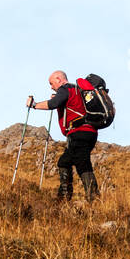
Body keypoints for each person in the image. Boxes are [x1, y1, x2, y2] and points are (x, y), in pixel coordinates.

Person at [27, 71, 99, 202]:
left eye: (51, 83)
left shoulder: (65, 88)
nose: (51, 86)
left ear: (59, 79)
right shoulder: (77, 90)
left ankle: (88, 198)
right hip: (89, 132)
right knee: (69, 162)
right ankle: (68, 197)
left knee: (78, 163)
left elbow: (52, 104)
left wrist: (34, 105)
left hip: (79, 132)